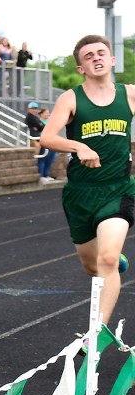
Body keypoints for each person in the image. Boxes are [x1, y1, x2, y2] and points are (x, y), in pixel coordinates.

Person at [39, 34, 134, 324]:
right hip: (80, 193)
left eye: (101, 52)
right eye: (88, 56)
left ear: (112, 59)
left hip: (118, 189)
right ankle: (112, 261)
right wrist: (79, 146)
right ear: (81, 67)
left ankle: (96, 332)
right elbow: (47, 137)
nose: (96, 58)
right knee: (92, 266)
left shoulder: (129, 94)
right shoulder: (71, 98)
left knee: (106, 261)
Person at [27, 101, 56, 185]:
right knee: (43, 158)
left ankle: (46, 175)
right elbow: (41, 127)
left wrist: (39, 126)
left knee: (50, 157)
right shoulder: (30, 117)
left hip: (46, 140)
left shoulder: (36, 118)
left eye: (35, 109)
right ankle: (42, 175)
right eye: (32, 109)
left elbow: (42, 127)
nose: (34, 110)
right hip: (40, 140)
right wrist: (39, 126)